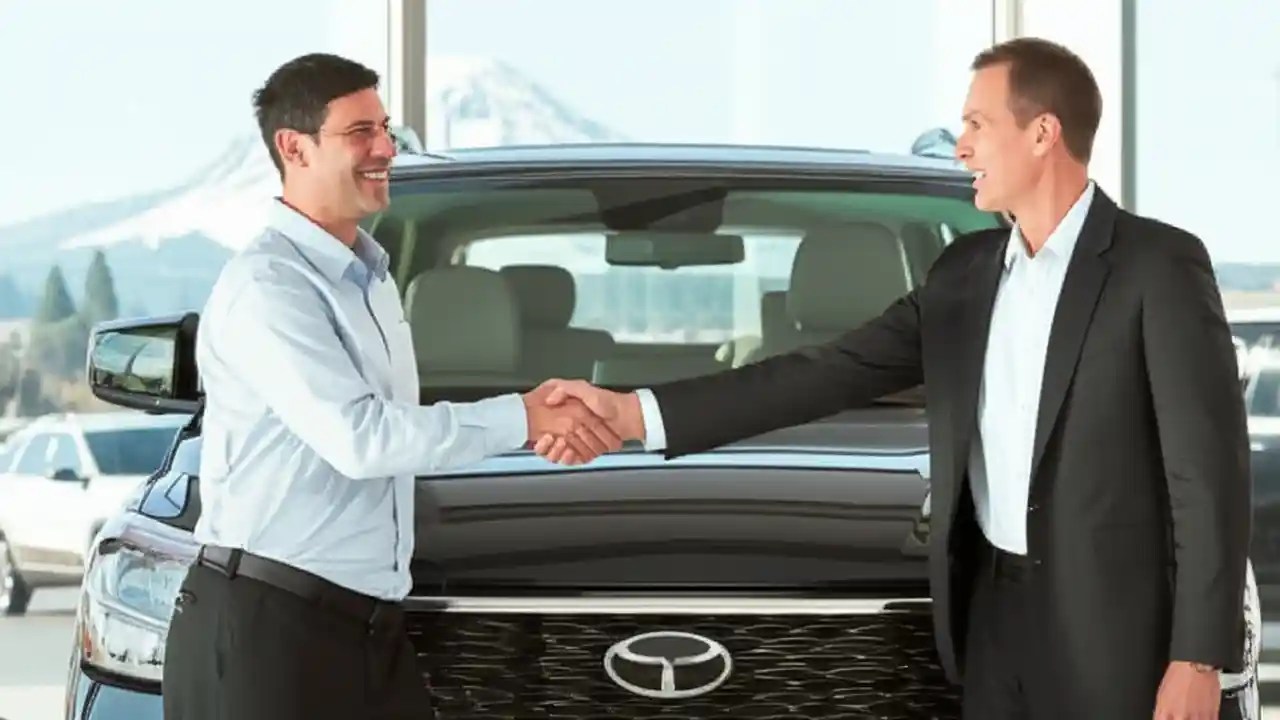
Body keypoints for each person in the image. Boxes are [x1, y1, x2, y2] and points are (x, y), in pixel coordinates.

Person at [535, 37, 1251, 719]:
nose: (963, 145)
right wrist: (633, 414)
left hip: (1116, 642)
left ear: (1043, 133)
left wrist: (1198, 657)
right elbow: (824, 374)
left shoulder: (1156, 268)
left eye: (977, 123)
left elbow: (1208, 479)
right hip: (991, 625)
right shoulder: (965, 277)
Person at [161, 53, 620, 720]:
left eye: (386, 128)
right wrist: (527, 417)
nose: (386, 149)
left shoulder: (369, 278)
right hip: (273, 631)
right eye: (360, 133)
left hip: (368, 631)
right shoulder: (271, 288)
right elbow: (362, 438)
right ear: (295, 147)